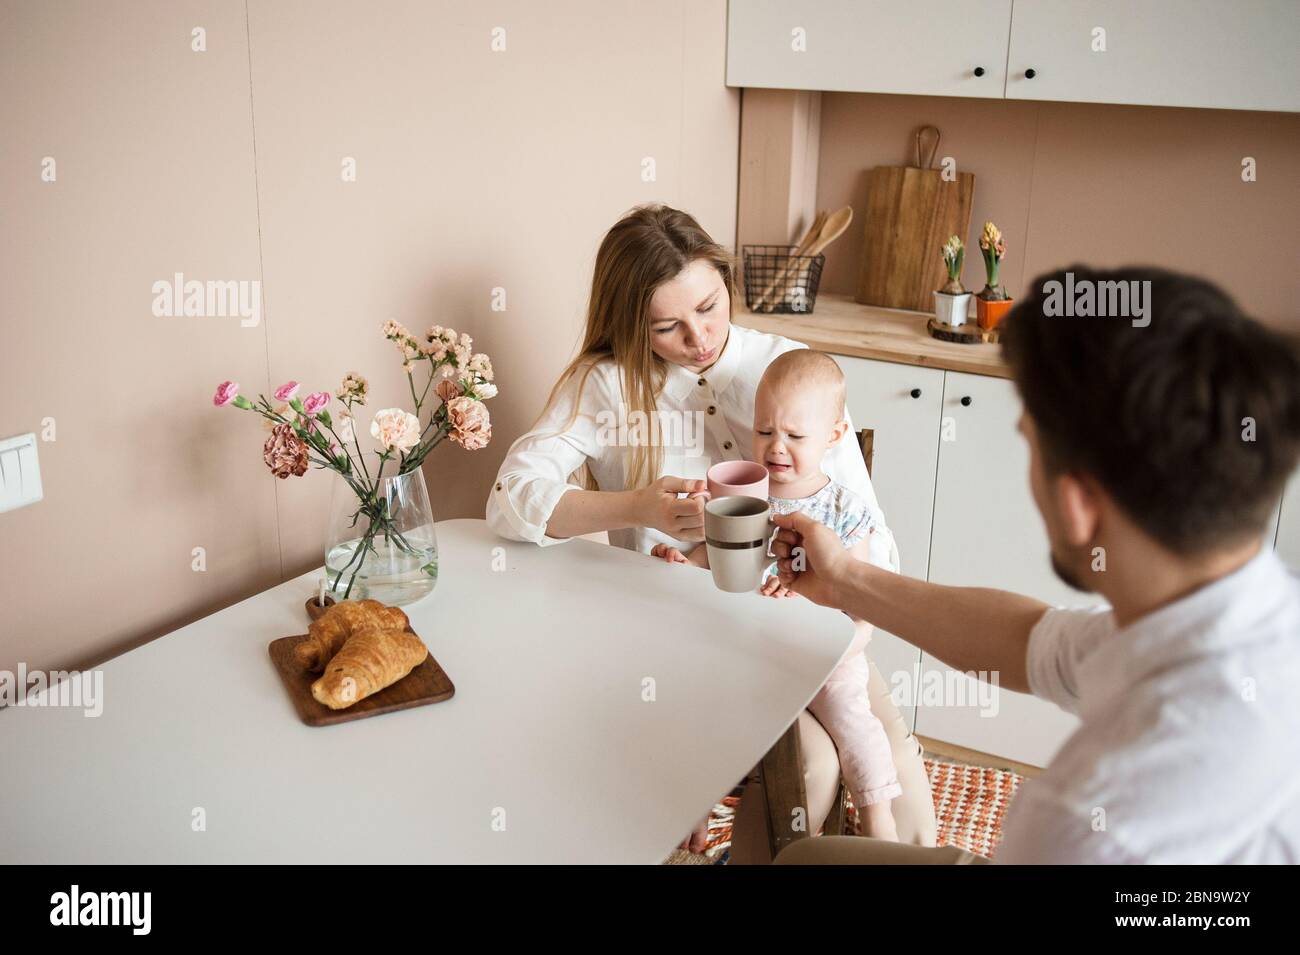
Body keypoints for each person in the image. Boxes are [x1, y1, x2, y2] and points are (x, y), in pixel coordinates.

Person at [770, 266, 1300, 864]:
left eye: (1028, 445)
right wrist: (845, 579)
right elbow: (1033, 640)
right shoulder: (1243, 615)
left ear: (1077, 504)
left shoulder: (1084, 824)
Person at [486, 203, 937, 858]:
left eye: (710, 305)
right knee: (808, 778)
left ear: (727, 280)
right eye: (666, 326)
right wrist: (634, 506)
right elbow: (508, 499)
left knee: (904, 804)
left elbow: (876, 545)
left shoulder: (789, 370)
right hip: (686, 641)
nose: (698, 337)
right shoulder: (606, 387)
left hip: (812, 630)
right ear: (629, 323)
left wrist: (825, 591)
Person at [651, 349, 902, 840]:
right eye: (765, 431)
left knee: (855, 721)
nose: (776, 447)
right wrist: (687, 564)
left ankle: (878, 813)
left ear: (833, 435)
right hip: (750, 644)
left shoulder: (844, 509)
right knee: (703, 702)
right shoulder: (745, 488)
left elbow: (856, 592)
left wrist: (808, 600)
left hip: (823, 650)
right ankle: (696, 808)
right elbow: (718, 551)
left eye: (794, 435)